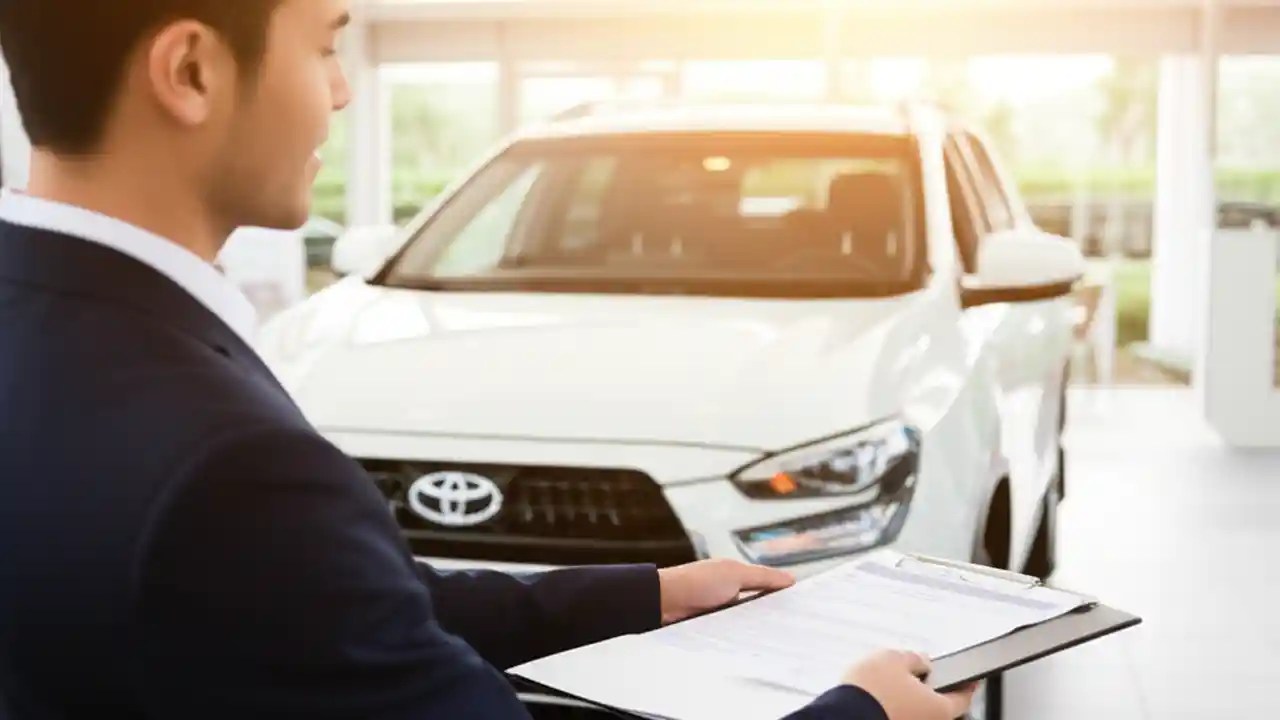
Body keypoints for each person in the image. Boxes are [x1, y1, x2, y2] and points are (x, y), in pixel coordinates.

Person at [0, 2, 976, 719]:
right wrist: (859, 714)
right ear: (191, 73)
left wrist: (642, 595)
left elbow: (311, 599)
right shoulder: (227, 459)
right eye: (327, 44)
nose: (340, 89)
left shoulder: (53, 327)